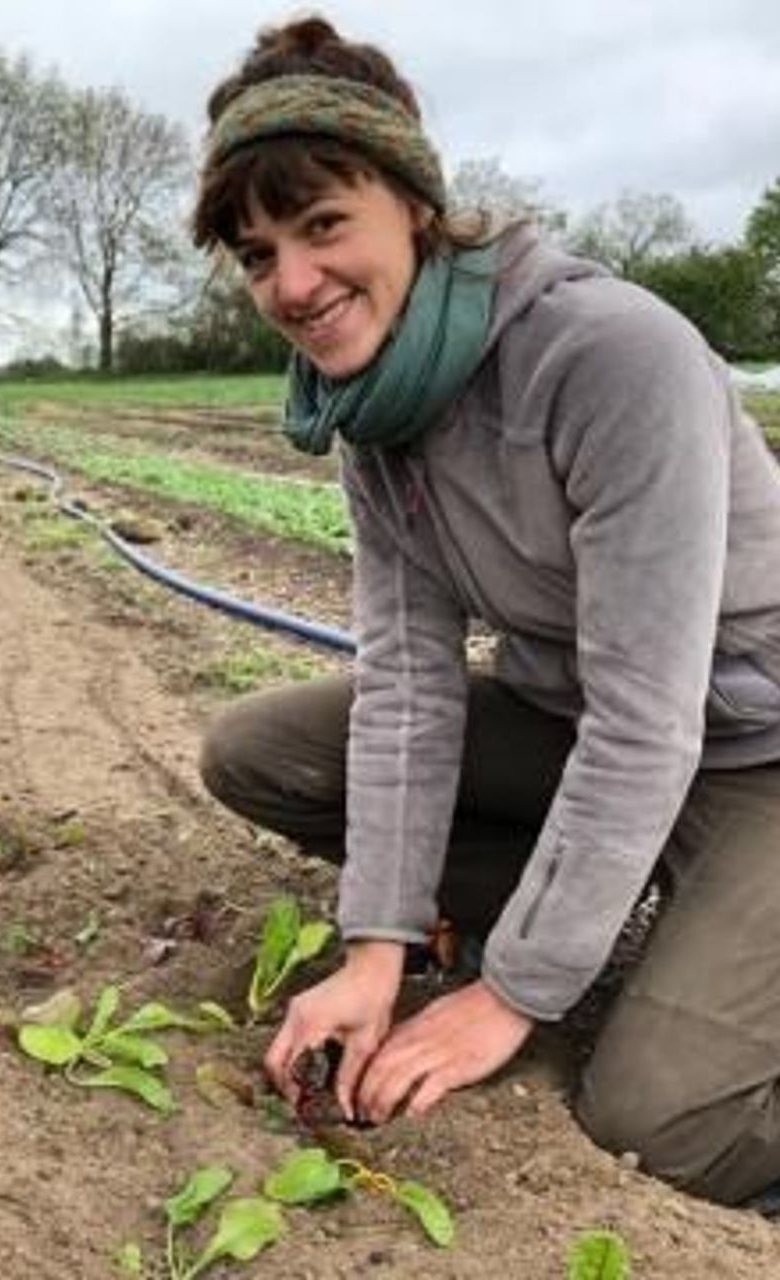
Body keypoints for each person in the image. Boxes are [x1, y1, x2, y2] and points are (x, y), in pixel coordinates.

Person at [193, 17, 780, 1206]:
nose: (292, 284)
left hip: (749, 750)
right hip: (575, 729)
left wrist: (510, 996)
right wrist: (378, 945)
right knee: (261, 751)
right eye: (257, 254)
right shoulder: (373, 417)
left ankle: (679, 940)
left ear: (412, 202)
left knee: (659, 1122)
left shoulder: (610, 358)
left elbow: (643, 718)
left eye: (319, 226)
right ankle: (635, 916)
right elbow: (408, 685)